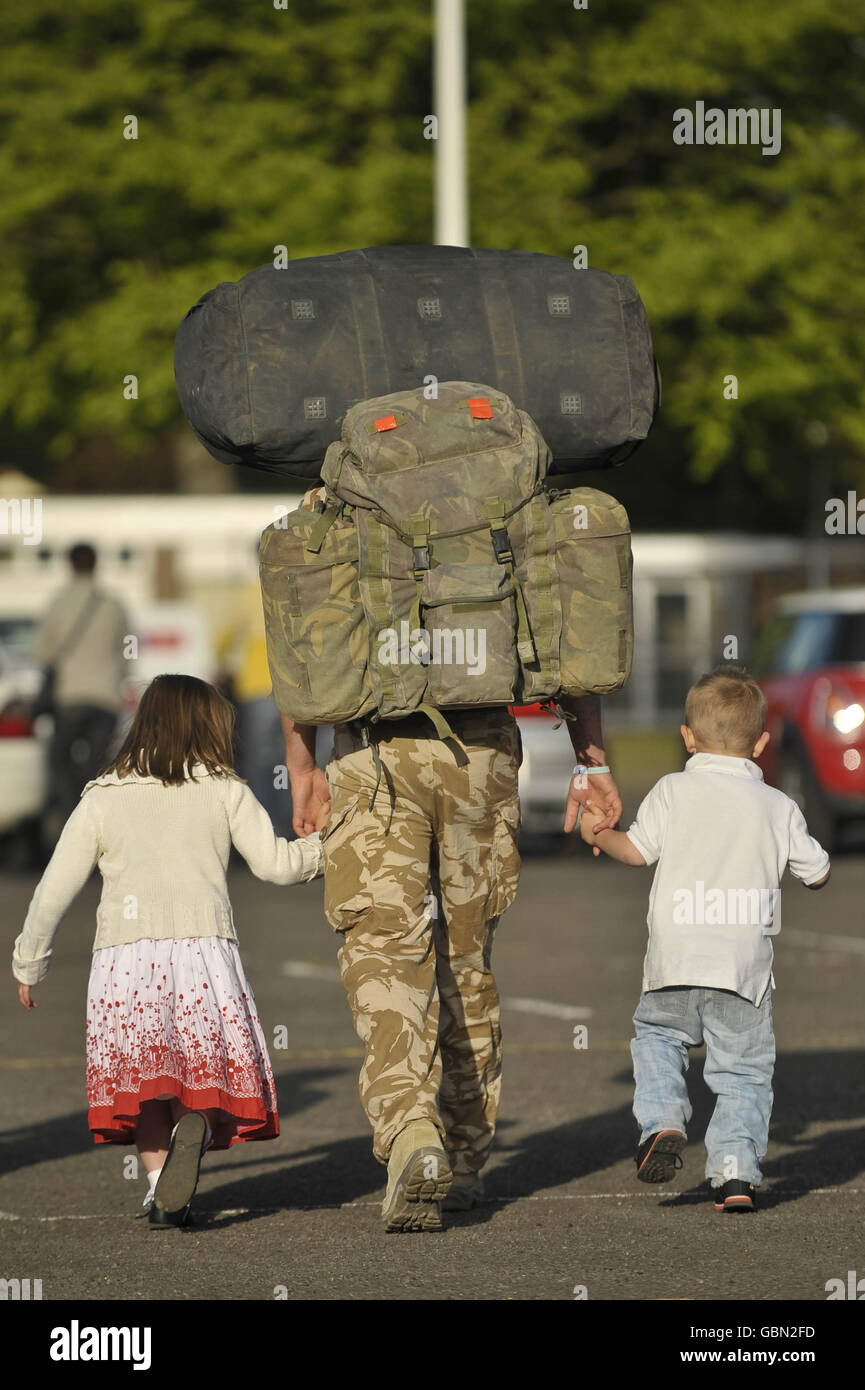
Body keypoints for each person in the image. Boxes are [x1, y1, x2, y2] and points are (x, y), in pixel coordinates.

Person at [282, 693, 621, 1233]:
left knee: (386, 955)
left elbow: (301, 646)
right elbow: (575, 648)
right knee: (465, 960)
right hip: (481, 752)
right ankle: (462, 1159)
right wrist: (591, 759)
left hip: (374, 753)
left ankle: (414, 1131)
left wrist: (301, 763)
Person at [12, 674, 325, 1227]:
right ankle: (196, 1128)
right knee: (194, 1073)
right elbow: (277, 866)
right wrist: (331, 843)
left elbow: (54, 889)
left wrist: (29, 961)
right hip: (204, 957)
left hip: (126, 965)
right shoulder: (224, 788)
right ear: (209, 727)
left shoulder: (103, 796)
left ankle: (160, 1188)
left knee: (145, 1089)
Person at [578, 664, 830, 1212]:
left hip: (674, 961)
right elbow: (818, 872)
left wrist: (595, 830)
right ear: (762, 743)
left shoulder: (672, 790)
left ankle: (665, 1120)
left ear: (687, 737)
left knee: (658, 1040)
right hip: (741, 972)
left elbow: (635, 852)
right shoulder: (779, 806)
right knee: (742, 1073)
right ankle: (736, 1172)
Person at [34, 542, 130, 839]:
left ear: (69, 565)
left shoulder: (58, 602)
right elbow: (127, 653)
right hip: (106, 699)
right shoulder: (113, 605)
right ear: (96, 564)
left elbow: (42, 654)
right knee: (99, 766)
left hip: (71, 697)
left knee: (59, 762)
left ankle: (70, 828)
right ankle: (101, 830)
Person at [215, 574, 292, 835]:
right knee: (291, 757)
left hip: (256, 689)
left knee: (259, 759)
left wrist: (222, 662)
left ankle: (261, 825)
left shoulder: (249, 591)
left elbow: (225, 637)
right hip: (291, 687)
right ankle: (291, 820)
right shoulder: (294, 586)